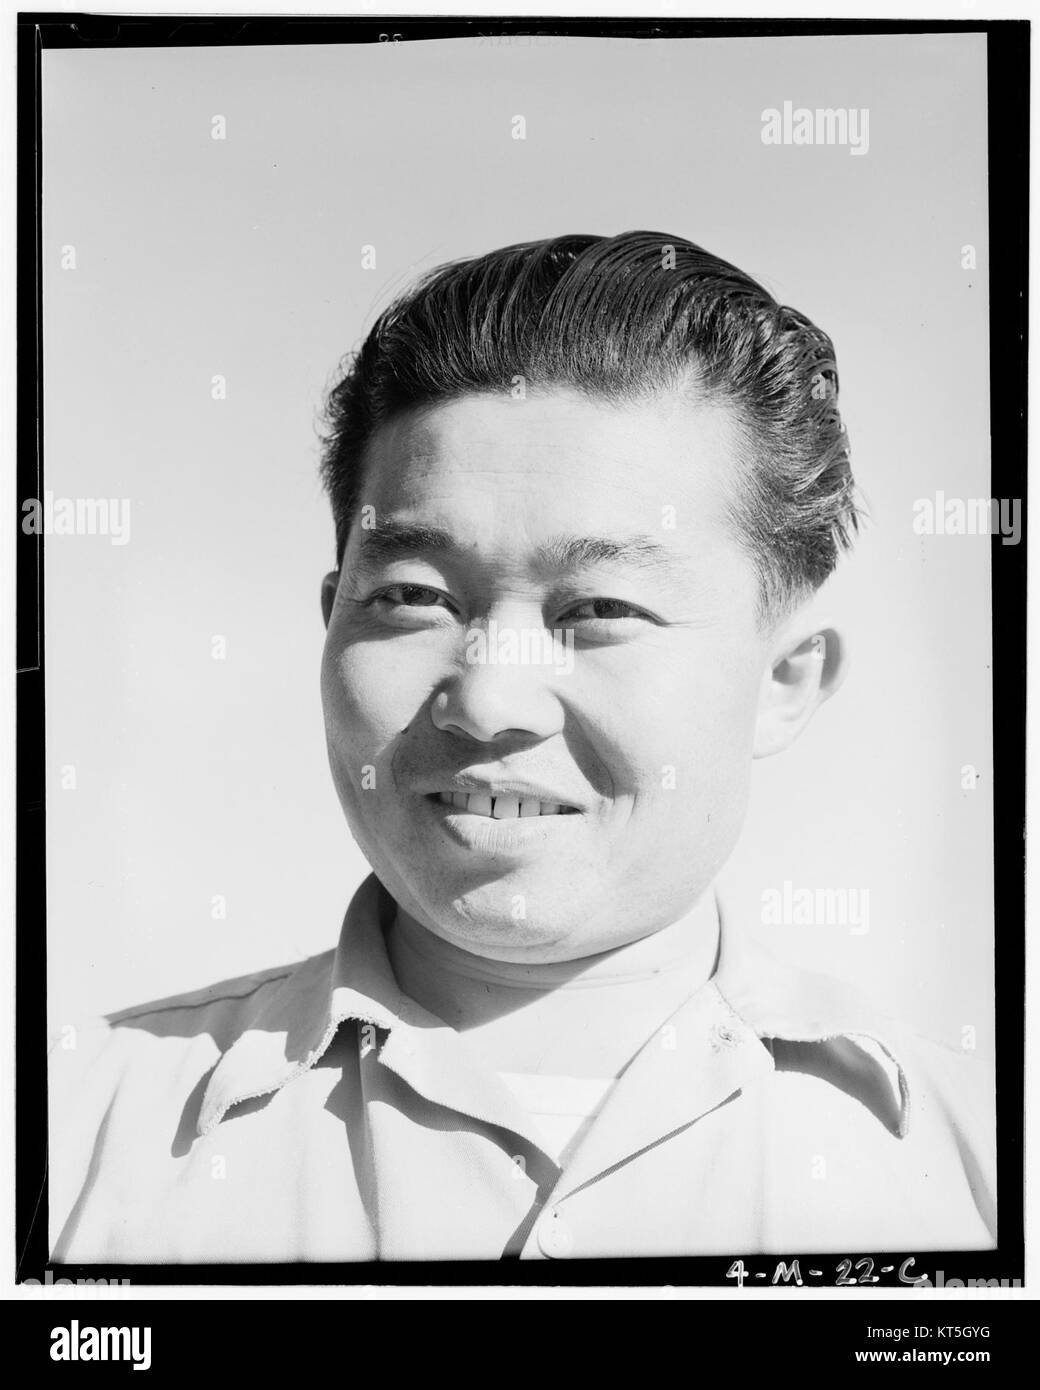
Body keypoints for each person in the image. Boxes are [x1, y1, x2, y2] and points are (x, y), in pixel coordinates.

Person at [49, 232, 995, 1262]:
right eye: (413, 596)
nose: (490, 697)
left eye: (599, 606)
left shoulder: (974, 1168)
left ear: (783, 680)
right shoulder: (65, 1140)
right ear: (332, 620)